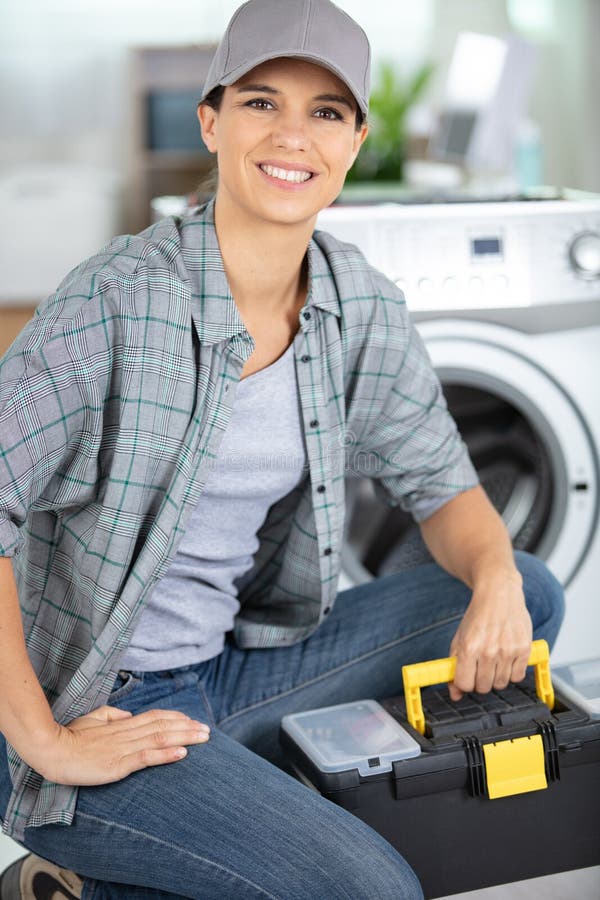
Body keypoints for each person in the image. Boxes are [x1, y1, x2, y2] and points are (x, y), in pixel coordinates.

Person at [0, 1, 564, 898]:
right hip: (94, 698)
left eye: (326, 112)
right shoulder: (119, 301)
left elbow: (441, 481)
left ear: (354, 141)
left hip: (228, 670)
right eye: (262, 103)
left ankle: (159, 853)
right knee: (375, 891)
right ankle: (117, 841)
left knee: (525, 586)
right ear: (213, 122)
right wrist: (40, 737)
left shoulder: (357, 302)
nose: (293, 135)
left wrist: (493, 577)